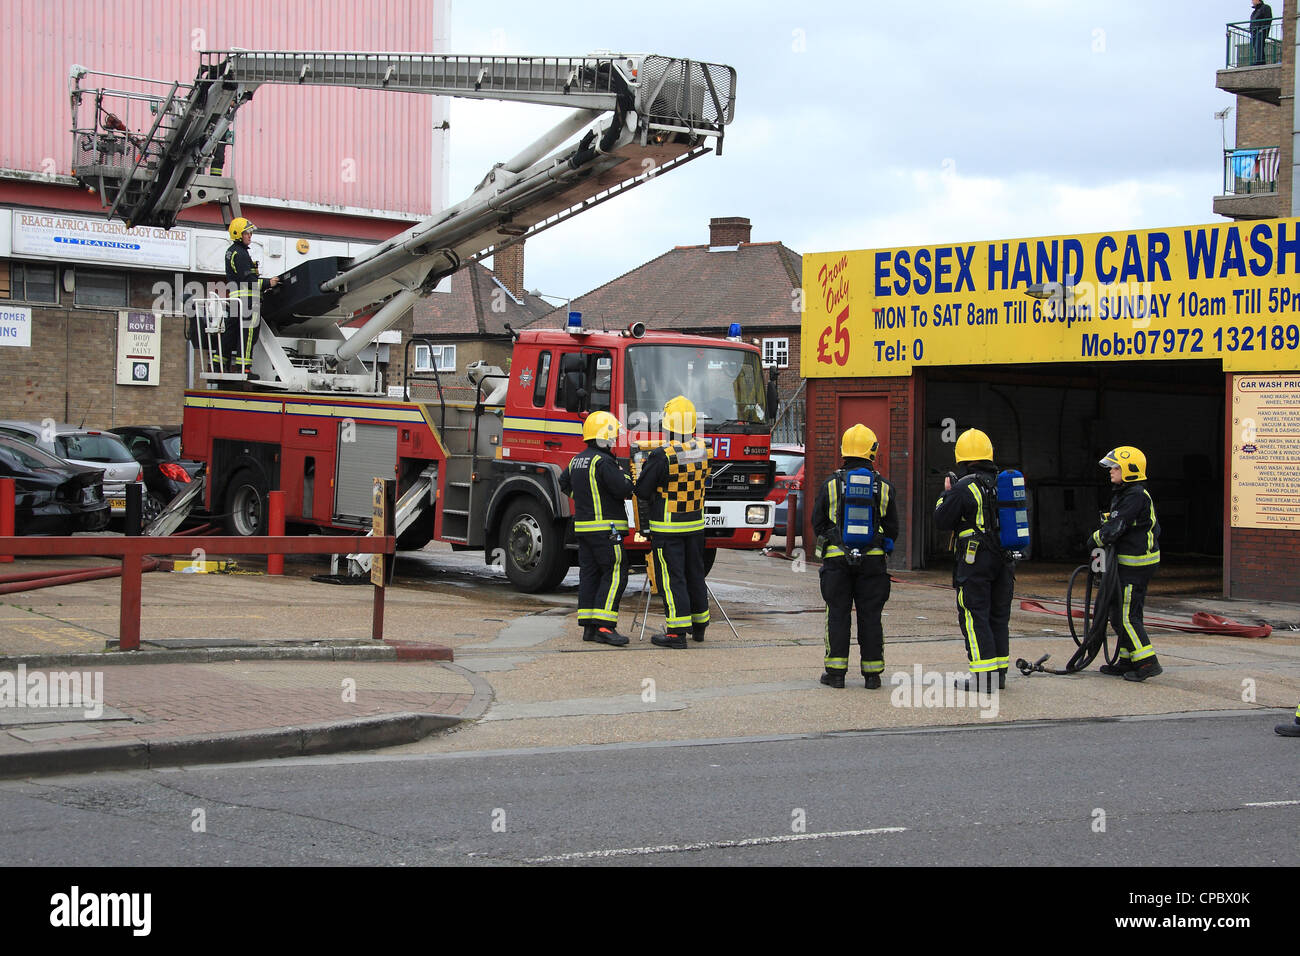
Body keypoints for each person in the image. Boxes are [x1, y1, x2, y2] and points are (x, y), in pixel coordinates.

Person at [813, 424, 899, 689]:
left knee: (837, 614)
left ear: (844, 450)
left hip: (837, 561)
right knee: (870, 616)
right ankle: (872, 675)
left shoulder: (830, 484)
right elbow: (893, 529)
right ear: (872, 451)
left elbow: (817, 523)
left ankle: (836, 674)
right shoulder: (883, 487)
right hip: (872, 563)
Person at [933, 428, 1014, 692]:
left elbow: (942, 520)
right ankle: (999, 673)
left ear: (963, 459)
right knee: (998, 616)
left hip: (976, 560)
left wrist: (946, 492)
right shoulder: (1004, 482)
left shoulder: (964, 487)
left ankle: (983, 676)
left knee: (974, 613)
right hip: (1005, 560)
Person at [635, 395, 711, 649]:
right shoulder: (704, 449)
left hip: (668, 527)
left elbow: (643, 490)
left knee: (672, 577)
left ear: (668, 426)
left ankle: (676, 632)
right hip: (695, 525)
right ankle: (699, 626)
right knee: (695, 574)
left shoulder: (662, 455)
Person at [559, 410, 635, 646]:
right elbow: (624, 490)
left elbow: (564, 484)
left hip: (584, 529)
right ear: (603, 436)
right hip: (607, 530)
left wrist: (584, 500)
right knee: (615, 573)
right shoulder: (604, 462)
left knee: (589, 575)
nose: (613, 441)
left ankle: (590, 627)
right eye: (612, 437)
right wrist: (629, 477)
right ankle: (605, 625)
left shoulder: (576, 460)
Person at [1091, 446, 1162, 682]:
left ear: (1130, 470)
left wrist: (1095, 539)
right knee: (1118, 613)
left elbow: (1116, 526)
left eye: (1116, 467)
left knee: (1126, 616)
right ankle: (1126, 660)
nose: (1111, 470)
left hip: (1135, 566)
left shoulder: (1135, 495)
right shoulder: (1125, 493)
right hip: (1125, 564)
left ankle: (1147, 662)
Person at [223, 217, 279, 370]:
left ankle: (220, 363)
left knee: (231, 333)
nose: (250, 236)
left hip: (236, 301)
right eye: (247, 233)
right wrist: (269, 283)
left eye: (250, 233)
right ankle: (244, 368)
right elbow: (248, 280)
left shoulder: (231, 252)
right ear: (238, 234)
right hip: (247, 301)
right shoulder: (240, 254)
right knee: (248, 334)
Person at [1251, 0, 1274, 65]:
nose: (1252, 2)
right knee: (1255, 46)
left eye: (1253, 0)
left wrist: (1263, 28)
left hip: (1261, 30)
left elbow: (1268, 18)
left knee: (1259, 45)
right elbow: (1252, 22)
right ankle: (1259, 60)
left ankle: (1260, 61)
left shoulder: (1266, 7)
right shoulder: (1254, 12)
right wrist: (1251, 30)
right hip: (1254, 31)